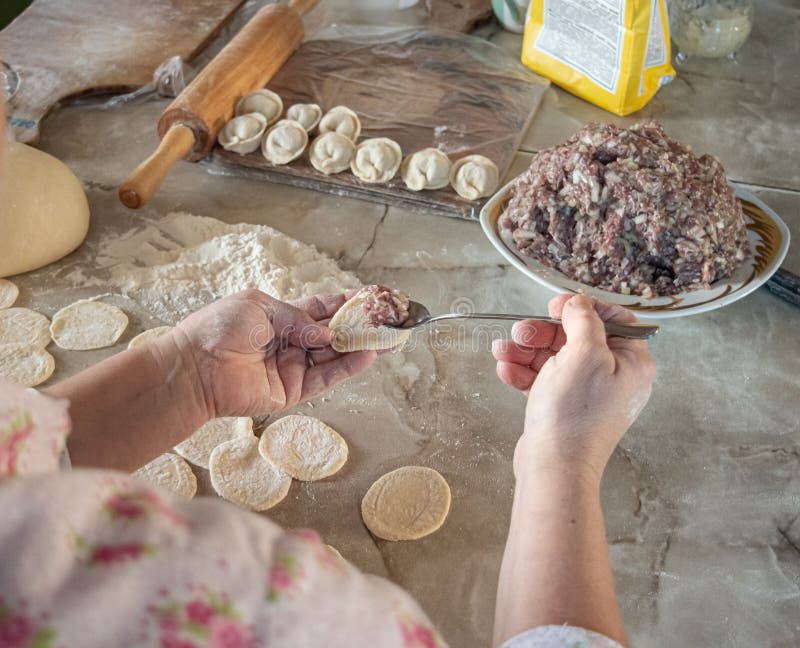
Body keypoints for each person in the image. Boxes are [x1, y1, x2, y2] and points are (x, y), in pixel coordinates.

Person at [0, 93, 656, 647]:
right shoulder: (216, 599)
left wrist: (191, 373)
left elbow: (16, 477)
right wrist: (562, 459)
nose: (11, 110)